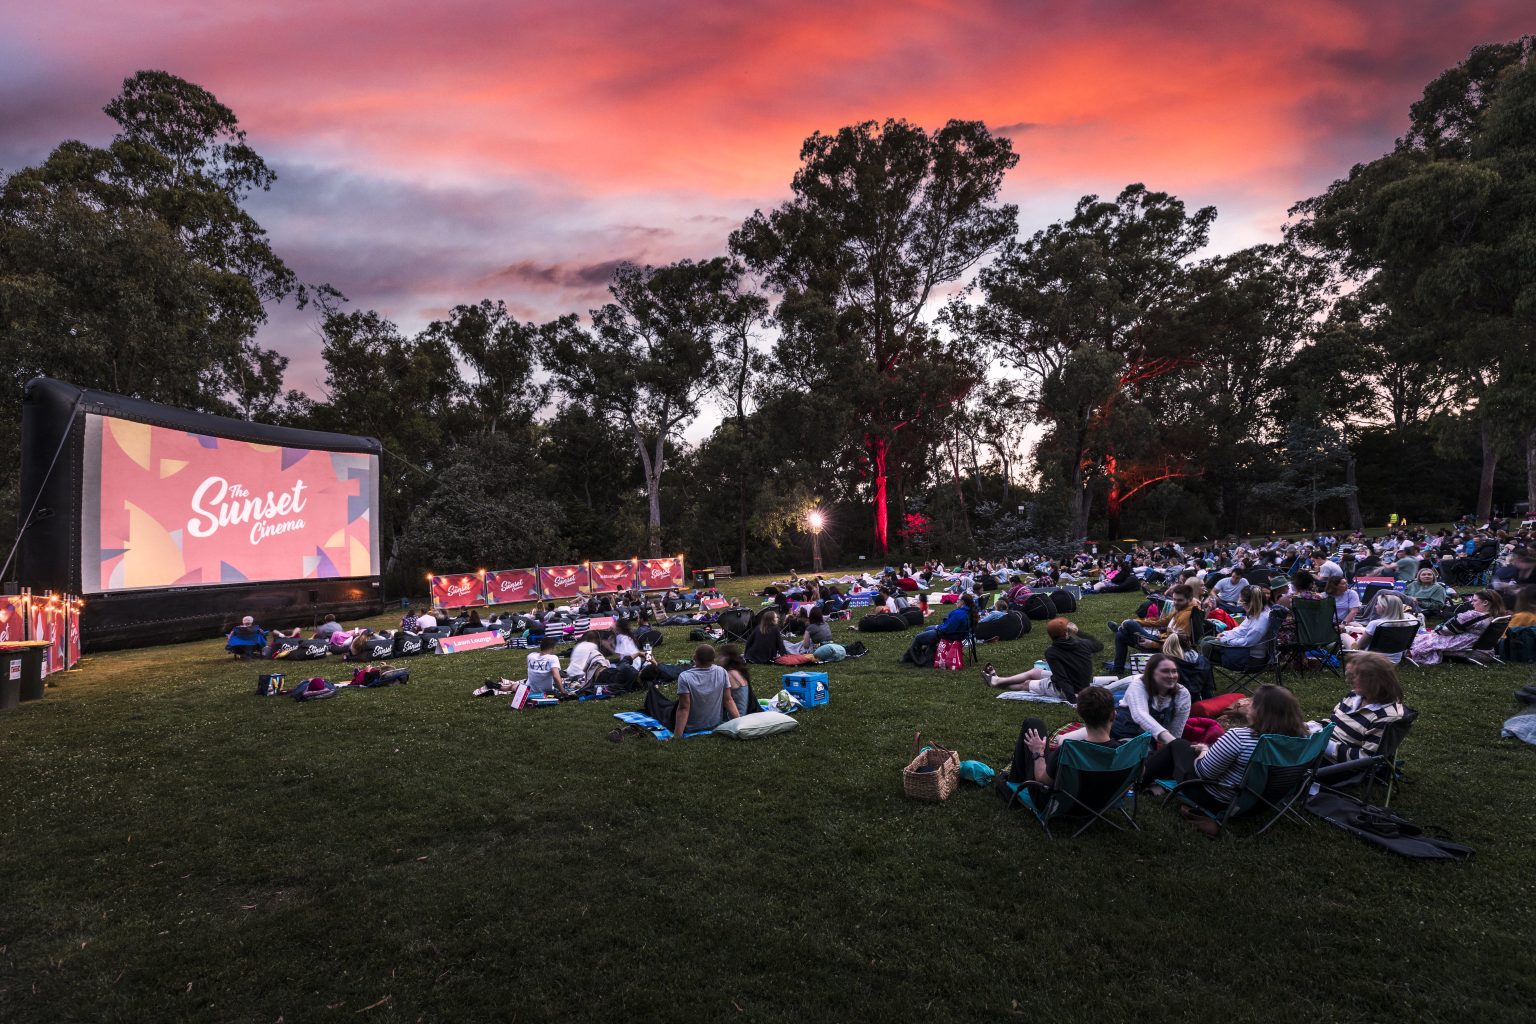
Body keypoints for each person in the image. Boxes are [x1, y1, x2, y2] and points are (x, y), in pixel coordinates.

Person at [1141, 683, 1310, 837]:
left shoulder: (1240, 737)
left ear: (1260, 711)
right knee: (1186, 748)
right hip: (1264, 802)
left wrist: (1204, 751)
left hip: (1220, 799)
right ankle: (1152, 778)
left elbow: (1204, 772)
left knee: (1178, 745)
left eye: (1252, 703)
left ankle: (1138, 781)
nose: (1248, 705)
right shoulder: (1303, 739)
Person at [1006, 685, 1121, 789]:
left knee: (1033, 723)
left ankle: (1013, 781)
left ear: (1081, 714)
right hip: (1103, 801)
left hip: (1058, 801)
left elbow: (1042, 780)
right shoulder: (1123, 752)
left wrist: (1038, 753)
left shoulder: (1068, 752)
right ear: (1113, 715)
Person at [1312, 652, 1406, 763]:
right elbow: (1333, 722)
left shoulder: (1385, 717)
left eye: (1353, 676)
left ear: (1373, 681)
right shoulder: (1353, 696)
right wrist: (1309, 727)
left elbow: (1365, 759)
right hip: (1318, 752)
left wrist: (1323, 744)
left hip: (1335, 766)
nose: (1348, 681)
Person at [983, 618, 1102, 700]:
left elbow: (1062, 678)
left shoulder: (1052, 652)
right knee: (1035, 672)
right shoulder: (1083, 644)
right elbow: (1099, 645)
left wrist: (1073, 698)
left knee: (1026, 684)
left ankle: (997, 683)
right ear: (1067, 633)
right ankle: (998, 680)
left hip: (1071, 689)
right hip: (1076, 681)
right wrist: (1078, 632)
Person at [1105, 585, 1195, 675]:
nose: (1175, 603)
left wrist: (1153, 644)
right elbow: (1161, 622)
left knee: (1128, 625)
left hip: (1164, 649)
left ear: (1189, 599)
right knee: (1121, 635)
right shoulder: (1180, 610)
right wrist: (1137, 622)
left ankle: (1121, 629)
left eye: (1180, 600)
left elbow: (1178, 644)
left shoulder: (1186, 616)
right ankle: (1118, 669)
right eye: (1174, 599)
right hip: (1160, 640)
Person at [1110, 653, 1191, 745]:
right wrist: (1170, 740)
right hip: (1122, 734)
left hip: (1150, 739)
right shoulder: (1138, 685)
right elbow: (1140, 715)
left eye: (1174, 671)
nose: (1171, 676)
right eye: (1165, 671)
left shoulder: (1182, 694)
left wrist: (1175, 746)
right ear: (1151, 673)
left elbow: (1177, 729)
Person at [1408, 590, 1505, 666]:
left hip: (1470, 649)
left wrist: (1436, 631)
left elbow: (1447, 630)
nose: (1472, 603)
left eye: (1475, 601)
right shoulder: (1496, 617)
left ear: (1485, 602)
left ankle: (1407, 653)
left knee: (1423, 639)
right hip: (1485, 650)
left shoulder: (1474, 615)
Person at [668, 644, 740, 739]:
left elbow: (684, 708)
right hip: (715, 724)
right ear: (713, 659)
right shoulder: (722, 672)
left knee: (665, 709)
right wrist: (740, 722)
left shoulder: (685, 677)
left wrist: (677, 735)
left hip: (692, 727)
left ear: (694, 657)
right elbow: (728, 700)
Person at [1340, 593, 1421, 664]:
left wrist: (1353, 638)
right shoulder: (1408, 622)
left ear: (1383, 607)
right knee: (1356, 625)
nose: (1375, 606)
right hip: (1394, 660)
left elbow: (1360, 646)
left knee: (1343, 635)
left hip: (1371, 660)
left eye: (1377, 604)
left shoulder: (1376, 624)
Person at [717, 644, 757, 719]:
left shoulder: (729, 675)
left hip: (737, 717)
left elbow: (727, 700)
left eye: (721, 656)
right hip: (750, 711)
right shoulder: (739, 670)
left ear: (728, 658)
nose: (719, 658)